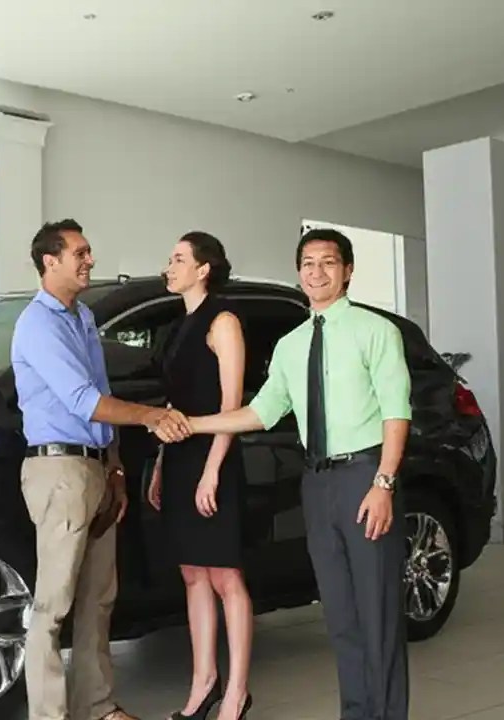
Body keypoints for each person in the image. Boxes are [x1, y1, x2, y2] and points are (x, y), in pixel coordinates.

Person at [172, 227, 411, 720]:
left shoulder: (376, 331)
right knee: (341, 618)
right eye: (307, 263)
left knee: (378, 616)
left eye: (327, 262)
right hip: (317, 483)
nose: (316, 272)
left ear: (346, 271)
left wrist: (384, 482)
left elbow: (396, 413)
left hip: (364, 478)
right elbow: (260, 411)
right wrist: (192, 424)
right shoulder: (291, 345)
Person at [11, 218, 187, 720]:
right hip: (58, 471)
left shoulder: (82, 318)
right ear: (50, 261)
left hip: (94, 469)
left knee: (98, 601)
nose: (90, 260)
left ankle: (98, 708)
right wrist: (153, 416)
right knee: (53, 608)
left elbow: (100, 391)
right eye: (80, 253)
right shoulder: (38, 324)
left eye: (88, 252)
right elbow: (83, 399)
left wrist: (113, 470)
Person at [147, 232, 252, 720]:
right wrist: (164, 466)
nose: (170, 267)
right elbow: (174, 406)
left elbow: (232, 407)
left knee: (226, 575)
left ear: (204, 268)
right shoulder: (177, 327)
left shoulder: (223, 320)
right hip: (182, 457)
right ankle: (203, 682)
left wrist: (211, 470)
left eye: (179, 259)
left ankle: (236, 693)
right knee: (193, 574)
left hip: (217, 456)